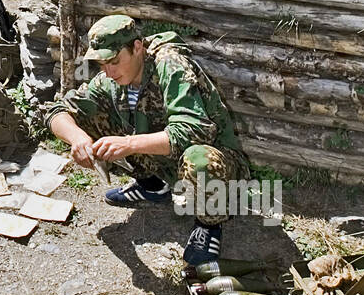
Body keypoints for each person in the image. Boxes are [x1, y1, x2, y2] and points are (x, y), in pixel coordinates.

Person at [47, 14, 251, 266]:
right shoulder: (109, 81)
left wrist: (129, 144)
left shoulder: (172, 66)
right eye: (102, 64)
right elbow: (57, 111)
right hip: (167, 160)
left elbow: (195, 130)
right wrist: (78, 138)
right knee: (88, 118)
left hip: (219, 165)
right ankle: (153, 186)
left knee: (199, 160)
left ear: (137, 47)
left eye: (114, 61)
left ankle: (209, 225)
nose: (109, 72)